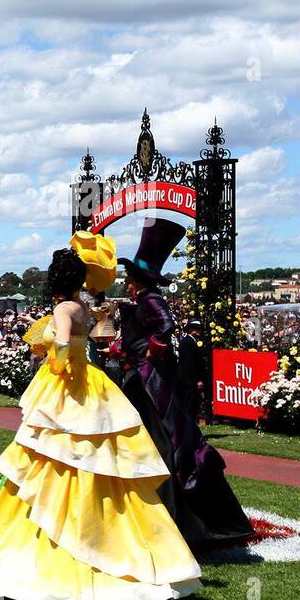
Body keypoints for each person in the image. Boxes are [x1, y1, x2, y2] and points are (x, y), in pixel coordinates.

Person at [0, 245, 201, 600]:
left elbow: (61, 342)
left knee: (57, 460)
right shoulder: (83, 306)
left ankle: (61, 554)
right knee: (98, 462)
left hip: (66, 383)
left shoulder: (63, 308)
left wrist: (47, 348)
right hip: (90, 384)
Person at [114, 218, 252, 545]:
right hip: (140, 382)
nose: (127, 284)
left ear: (140, 279)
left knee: (165, 445)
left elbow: (165, 326)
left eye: (130, 278)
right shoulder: (140, 302)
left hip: (152, 385)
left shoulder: (151, 300)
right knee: (153, 443)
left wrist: (152, 352)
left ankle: (181, 519)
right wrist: (122, 348)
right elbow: (138, 336)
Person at [176, 320, 205, 423]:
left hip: (187, 379)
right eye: (197, 329)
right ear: (191, 330)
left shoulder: (189, 341)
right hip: (189, 380)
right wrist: (197, 380)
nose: (199, 331)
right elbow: (191, 364)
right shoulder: (188, 342)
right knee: (190, 405)